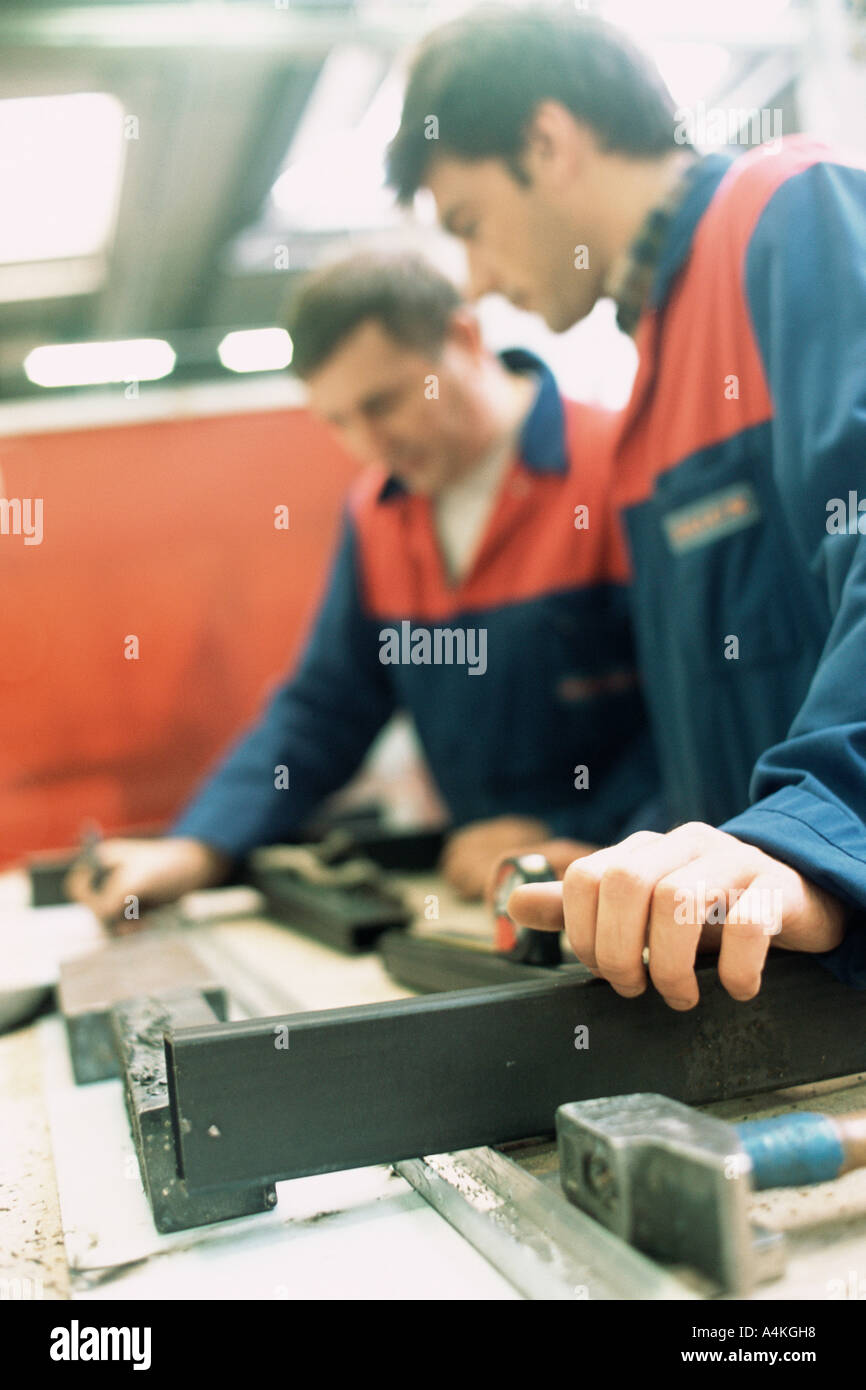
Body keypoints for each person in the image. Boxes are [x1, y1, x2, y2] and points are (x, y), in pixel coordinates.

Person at [387, 6, 866, 1006]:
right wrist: (625, 844)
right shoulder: (651, 387)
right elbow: (729, 709)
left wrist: (811, 831)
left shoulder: (786, 209)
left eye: (467, 224)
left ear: (547, 141)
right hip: (770, 981)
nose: (473, 283)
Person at [68, 249, 659, 921]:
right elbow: (324, 707)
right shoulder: (376, 514)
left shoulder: (619, 470)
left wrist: (577, 828)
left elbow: (698, 717)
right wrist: (197, 847)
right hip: (485, 899)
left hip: (634, 893)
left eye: (384, 402)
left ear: (464, 339)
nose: (368, 443)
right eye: (339, 421)